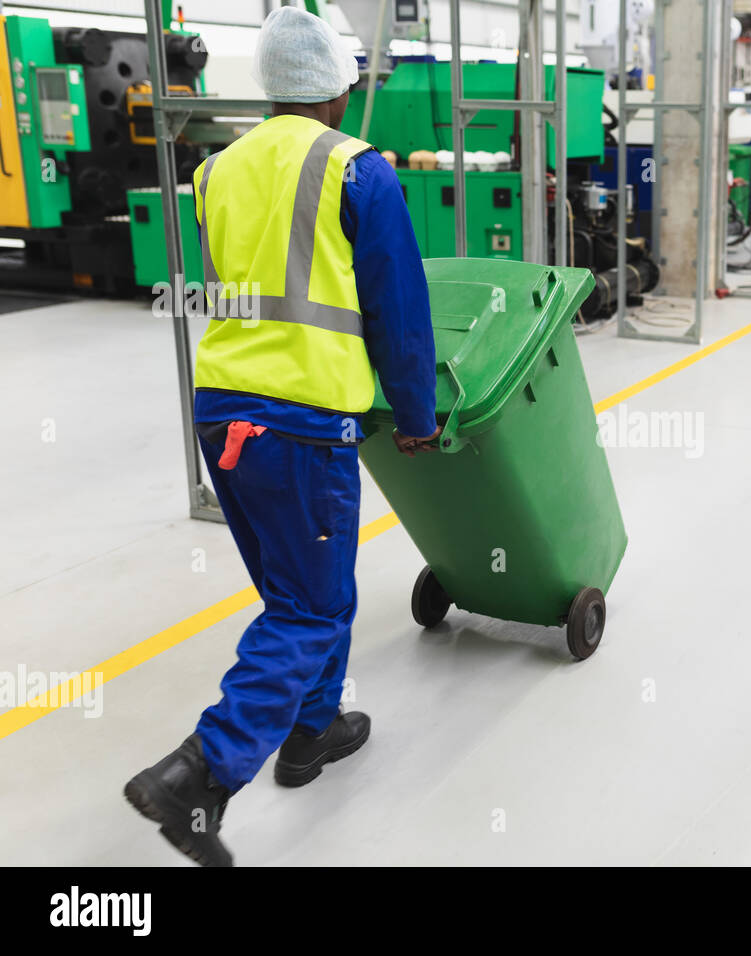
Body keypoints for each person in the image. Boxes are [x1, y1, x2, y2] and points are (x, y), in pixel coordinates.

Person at [124, 6, 439, 867]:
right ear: (338, 85)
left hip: (222, 414)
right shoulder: (358, 170)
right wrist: (415, 417)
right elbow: (399, 310)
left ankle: (313, 730)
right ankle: (201, 774)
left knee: (301, 586)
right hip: (301, 423)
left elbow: (235, 290)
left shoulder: (215, 170)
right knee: (311, 603)